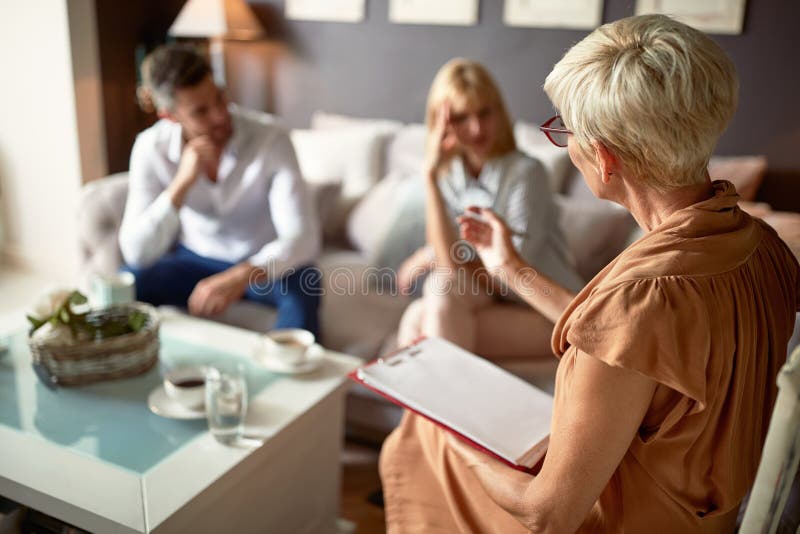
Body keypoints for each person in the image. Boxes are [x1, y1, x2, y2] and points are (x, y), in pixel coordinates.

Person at [380, 14, 800, 533]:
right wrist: (509, 267)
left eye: (564, 130)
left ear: (603, 158)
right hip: (706, 513)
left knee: (418, 442)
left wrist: (454, 435)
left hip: (618, 520)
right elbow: (623, 339)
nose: (565, 143)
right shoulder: (764, 248)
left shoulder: (640, 299)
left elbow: (545, 516)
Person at [119, 45, 321, 337]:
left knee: (305, 286)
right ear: (169, 116)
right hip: (194, 259)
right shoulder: (150, 148)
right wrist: (180, 185)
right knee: (128, 281)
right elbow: (136, 252)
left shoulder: (271, 138)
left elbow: (303, 238)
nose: (219, 115)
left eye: (219, 97)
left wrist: (239, 277)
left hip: (260, 264)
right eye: (201, 111)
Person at [396, 58, 583, 360]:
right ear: (442, 123)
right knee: (423, 309)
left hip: (546, 310)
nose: (477, 128)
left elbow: (509, 270)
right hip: (492, 303)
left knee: (430, 308)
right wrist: (429, 176)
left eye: (484, 113)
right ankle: (426, 408)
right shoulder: (449, 176)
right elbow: (450, 263)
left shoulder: (527, 172)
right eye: (460, 117)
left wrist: (430, 255)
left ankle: (425, 406)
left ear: (499, 111)